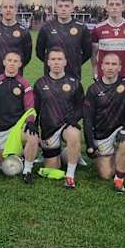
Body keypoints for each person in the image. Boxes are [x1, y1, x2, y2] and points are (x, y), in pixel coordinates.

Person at [83, 53, 125, 193]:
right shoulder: (93, 89)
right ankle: (118, 157)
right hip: (101, 135)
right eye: (107, 64)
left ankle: (119, 180)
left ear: (119, 67)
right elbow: (87, 119)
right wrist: (89, 144)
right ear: (101, 66)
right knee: (106, 174)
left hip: (119, 130)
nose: (110, 67)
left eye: (114, 64)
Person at [33, 46, 84, 189]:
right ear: (48, 62)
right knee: (53, 168)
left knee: (74, 134)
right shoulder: (40, 83)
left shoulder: (74, 82)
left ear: (65, 62)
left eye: (60, 59)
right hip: (49, 129)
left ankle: (70, 175)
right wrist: (34, 127)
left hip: (66, 125)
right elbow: (35, 109)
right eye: (53, 59)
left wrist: (74, 118)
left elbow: (82, 106)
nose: (56, 62)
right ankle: (68, 153)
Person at [0, 51, 40, 184]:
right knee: (5, 168)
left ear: (20, 64)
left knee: (33, 136)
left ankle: (27, 170)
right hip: (0, 128)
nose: (12, 64)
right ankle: (18, 156)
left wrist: (30, 121)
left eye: (15, 61)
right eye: (9, 60)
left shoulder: (24, 84)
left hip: (17, 127)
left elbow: (30, 107)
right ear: (4, 62)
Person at [36, 0, 92, 79]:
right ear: (56, 8)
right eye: (60, 6)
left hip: (73, 74)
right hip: (51, 75)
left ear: (72, 8)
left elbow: (88, 52)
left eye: (67, 6)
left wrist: (76, 63)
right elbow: (39, 52)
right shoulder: (47, 27)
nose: (63, 9)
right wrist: (53, 63)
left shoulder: (81, 28)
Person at [90, 0, 125, 81]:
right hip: (103, 77)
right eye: (111, 4)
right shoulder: (97, 29)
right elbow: (93, 54)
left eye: (118, 4)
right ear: (106, 7)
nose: (114, 7)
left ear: (123, 7)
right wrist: (95, 71)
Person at [0, 0, 32, 78]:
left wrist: (15, 66)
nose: (8, 10)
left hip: (16, 76)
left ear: (16, 10)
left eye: (11, 7)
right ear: (1, 10)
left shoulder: (24, 31)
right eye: (5, 7)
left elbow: (27, 56)